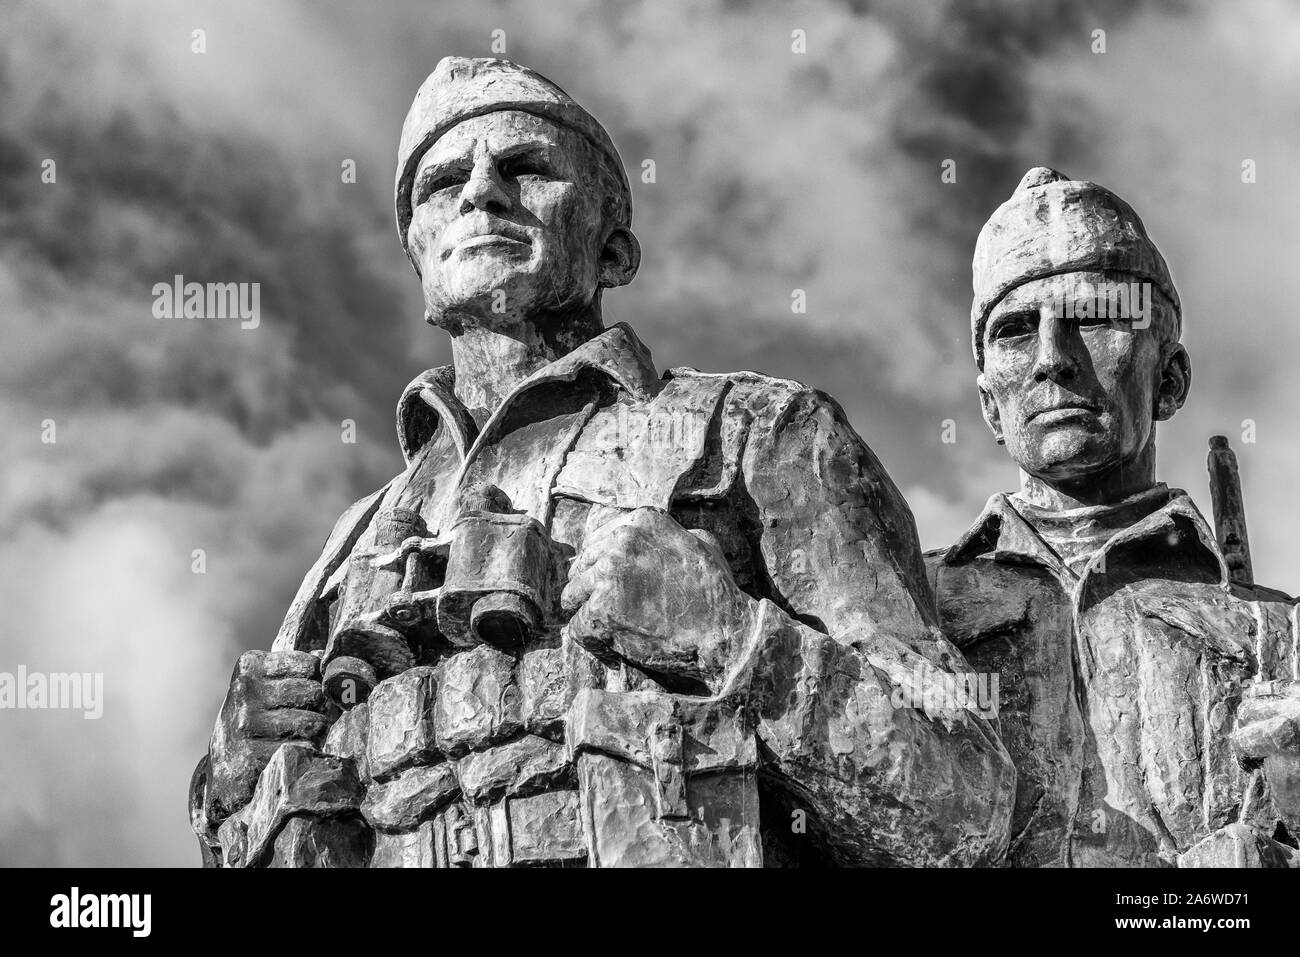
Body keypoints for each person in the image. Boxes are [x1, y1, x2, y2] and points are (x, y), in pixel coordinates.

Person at [188, 57, 1013, 868]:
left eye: (525, 167)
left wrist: (730, 636)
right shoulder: (351, 546)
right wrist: (227, 782)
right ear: (419, 254)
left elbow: (964, 797)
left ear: (614, 249)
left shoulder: (761, 434)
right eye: (443, 184)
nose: (480, 192)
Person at [926, 167, 1299, 867]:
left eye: (1093, 318)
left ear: (1171, 378)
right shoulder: (910, 610)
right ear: (988, 407)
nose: (1051, 360)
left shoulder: (1280, 635)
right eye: (1014, 331)